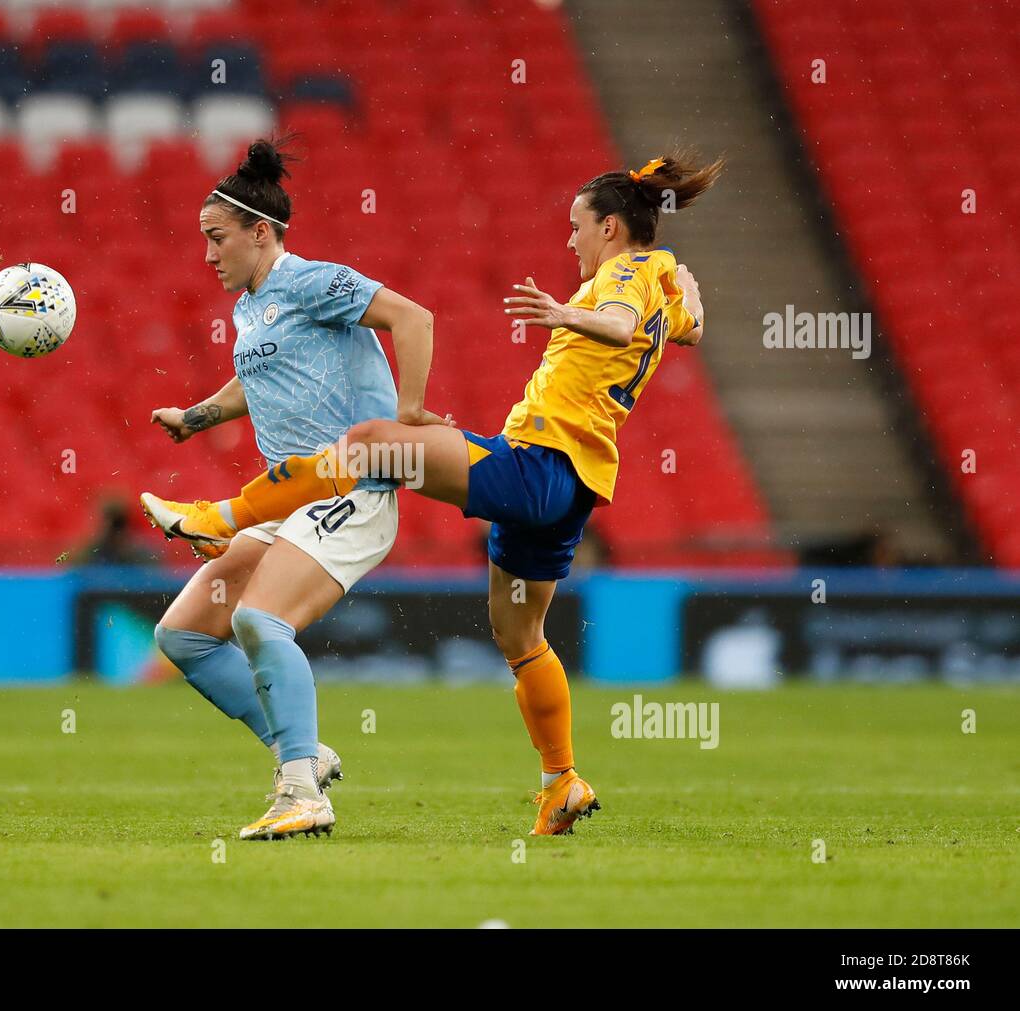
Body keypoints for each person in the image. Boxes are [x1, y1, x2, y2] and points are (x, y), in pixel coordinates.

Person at [143, 152, 722, 835]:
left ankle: (218, 516)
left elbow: (620, 324)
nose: (570, 240)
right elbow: (685, 328)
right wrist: (691, 297)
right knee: (522, 636)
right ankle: (560, 780)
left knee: (370, 444)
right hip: (572, 490)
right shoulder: (658, 282)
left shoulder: (623, 273)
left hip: (535, 462)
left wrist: (559, 313)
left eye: (577, 227)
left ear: (613, 228)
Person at [143, 138, 447, 840]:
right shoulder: (252, 309)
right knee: (184, 636)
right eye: (202, 241)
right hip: (288, 502)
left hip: (351, 491)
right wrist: (196, 417)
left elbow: (414, 317)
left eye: (217, 239)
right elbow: (260, 380)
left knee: (258, 619)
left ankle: (301, 789)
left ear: (260, 232)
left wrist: (409, 414)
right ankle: (302, 751)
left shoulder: (311, 282)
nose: (208, 254)